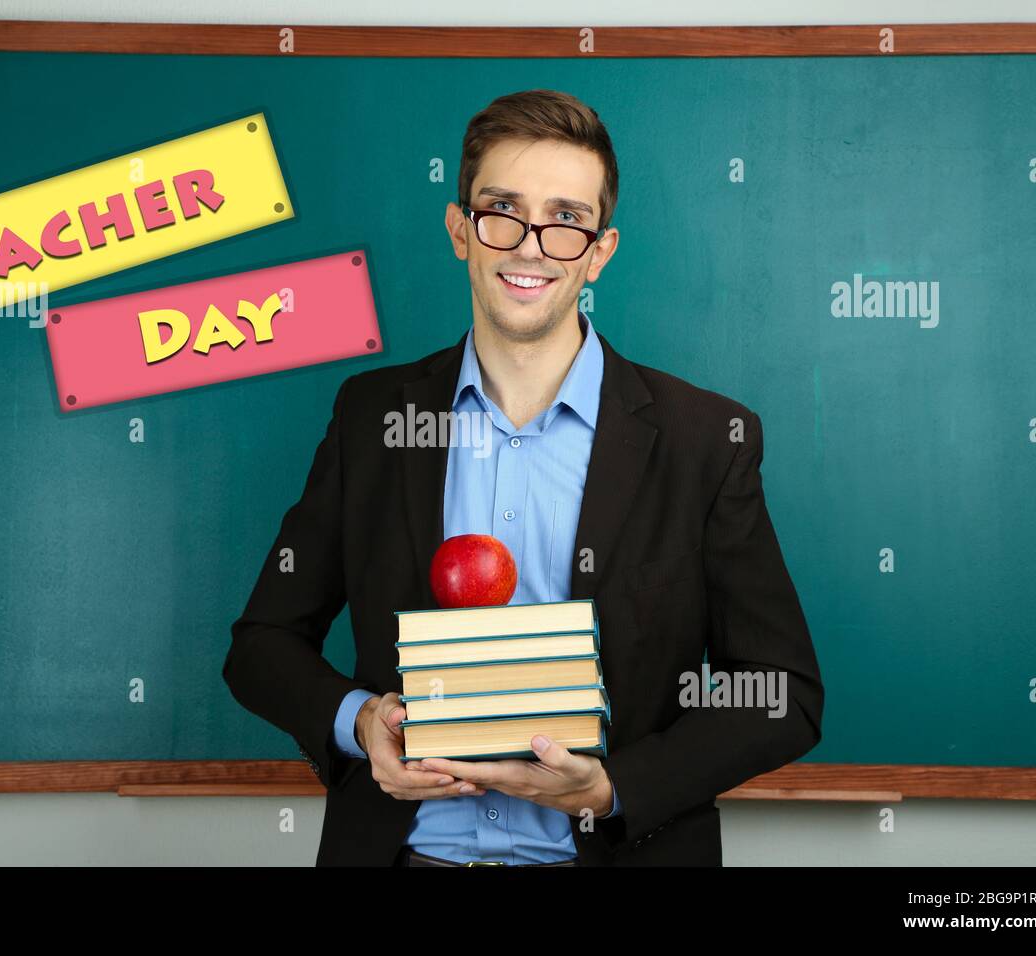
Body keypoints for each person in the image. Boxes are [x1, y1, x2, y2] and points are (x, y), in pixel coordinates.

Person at [225, 89, 823, 866]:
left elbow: (782, 694)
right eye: (501, 209)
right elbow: (261, 645)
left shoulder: (704, 440)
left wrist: (611, 789)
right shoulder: (372, 416)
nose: (531, 244)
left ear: (600, 249)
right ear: (460, 231)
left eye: (566, 219)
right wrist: (360, 720)